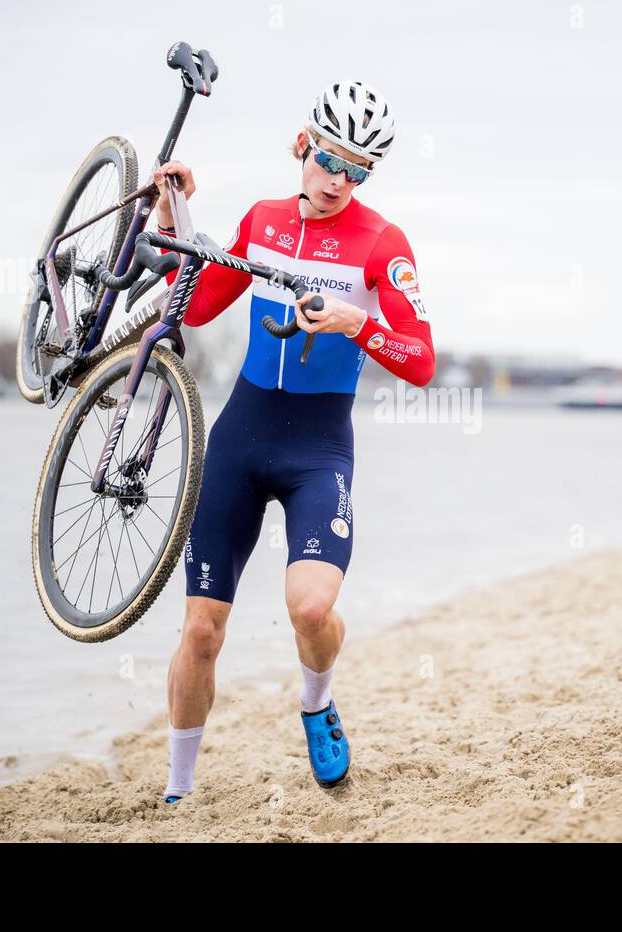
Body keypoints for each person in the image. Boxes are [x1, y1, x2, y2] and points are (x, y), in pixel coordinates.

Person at [150, 81, 434, 801]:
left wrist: (353, 322)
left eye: (359, 169)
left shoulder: (382, 242)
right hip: (240, 439)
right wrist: (172, 211)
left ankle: (315, 700)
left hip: (317, 450)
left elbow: (422, 362)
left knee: (310, 608)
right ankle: (178, 792)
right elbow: (202, 302)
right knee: (201, 633)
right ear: (302, 144)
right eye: (331, 160)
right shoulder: (264, 221)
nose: (340, 180)